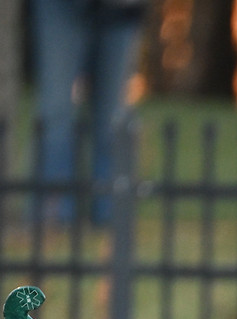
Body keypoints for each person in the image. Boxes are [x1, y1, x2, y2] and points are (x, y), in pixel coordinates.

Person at [32, 0, 149, 225]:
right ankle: (54, 215)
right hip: (61, 7)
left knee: (114, 117)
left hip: (122, 10)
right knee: (56, 112)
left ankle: (111, 215)